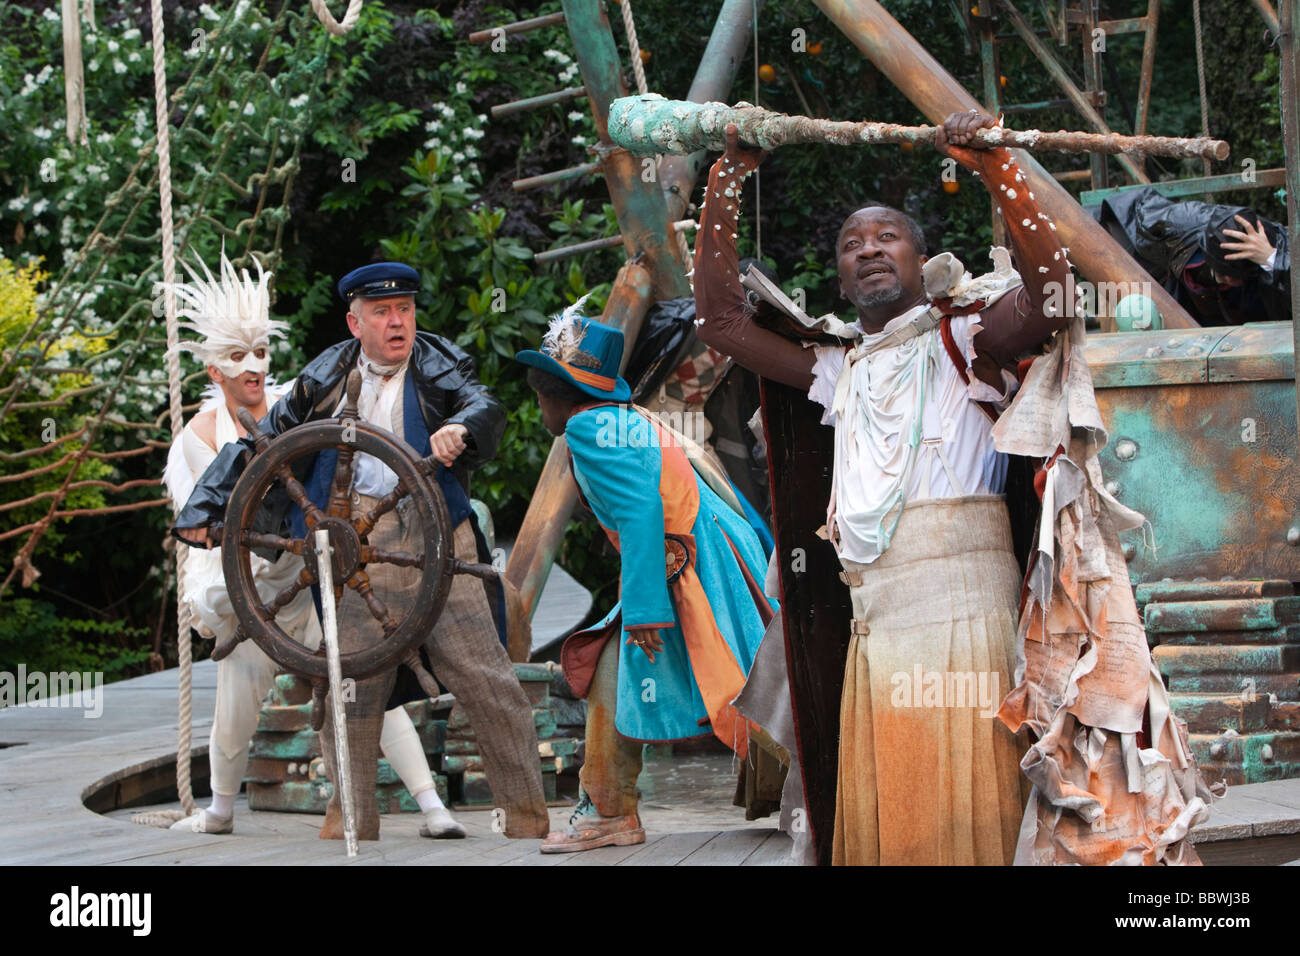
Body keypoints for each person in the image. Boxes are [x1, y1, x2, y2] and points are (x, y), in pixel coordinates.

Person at [692, 111, 1080, 865]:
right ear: (838, 275)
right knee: (897, 815)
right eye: (850, 244)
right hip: (877, 622)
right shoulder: (839, 369)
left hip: (969, 612)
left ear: (921, 256)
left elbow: (1058, 298)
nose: (868, 249)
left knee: (974, 816)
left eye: (886, 237)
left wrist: (996, 166)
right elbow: (719, 322)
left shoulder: (967, 338)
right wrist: (726, 177)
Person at [174, 261, 549, 841]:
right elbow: (264, 443)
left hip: (439, 539)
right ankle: (351, 820)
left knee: (489, 681)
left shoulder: (440, 363)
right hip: (355, 550)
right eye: (382, 312)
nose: (397, 322)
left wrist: (464, 428)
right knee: (347, 688)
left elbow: (484, 405)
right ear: (355, 322)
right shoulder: (323, 376)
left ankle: (528, 820)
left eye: (404, 309)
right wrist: (206, 508)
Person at [515, 305, 777, 853]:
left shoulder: (587, 428)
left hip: (694, 562)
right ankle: (610, 808)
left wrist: (644, 610)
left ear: (561, 396)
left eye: (543, 392)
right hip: (709, 551)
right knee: (744, 669)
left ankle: (608, 812)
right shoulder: (624, 418)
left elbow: (639, 513)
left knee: (725, 673)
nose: (539, 403)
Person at [1095, 186, 1291, 325]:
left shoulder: (1280, 247)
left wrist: (1271, 259)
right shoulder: (1183, 224)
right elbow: (1130, 210)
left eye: (1236, 276)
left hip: (1248, 323)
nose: (1232, 279)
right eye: (1227, 275)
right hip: (1185, 309)